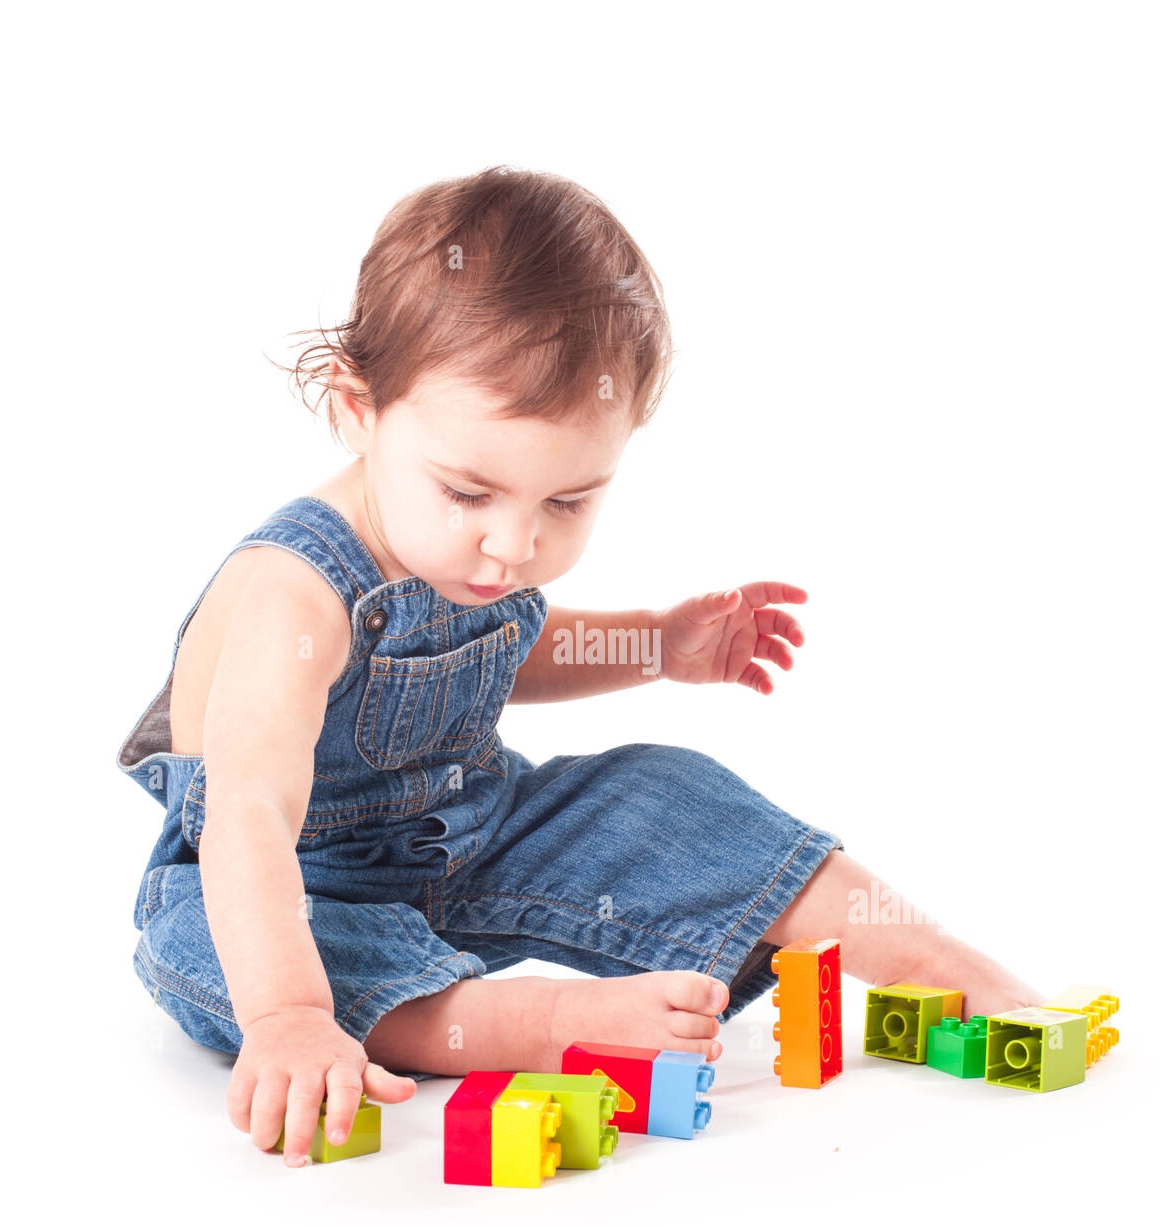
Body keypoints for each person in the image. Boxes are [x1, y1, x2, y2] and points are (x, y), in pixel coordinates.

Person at [118, 166, 1040, 1167]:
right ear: (356, 406)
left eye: (566, 504)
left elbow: (497, 654)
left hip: (476, 831)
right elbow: (249, 809)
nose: (512, 547)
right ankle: (525, 1019)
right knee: (215, 954)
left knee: (665, 790)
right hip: (294, 887)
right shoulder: (291, 593)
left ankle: (938, 962)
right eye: (469, 493)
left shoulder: (474, 556)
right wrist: (288, 1012)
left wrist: (654, 644)